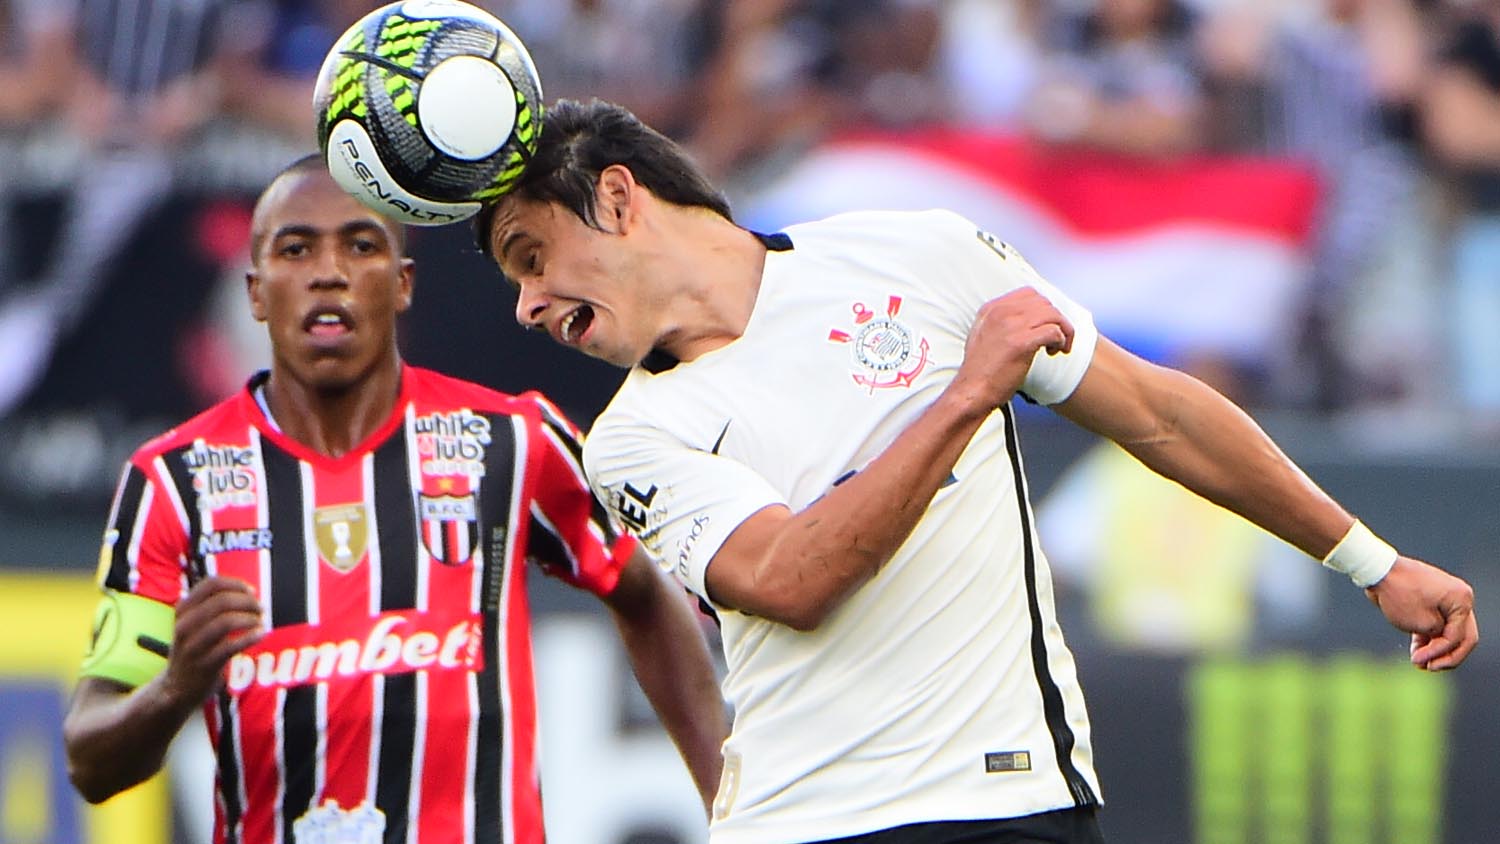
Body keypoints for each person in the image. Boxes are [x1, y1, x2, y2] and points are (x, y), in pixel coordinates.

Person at [473, 98, 1479, 844]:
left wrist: (1370, 561)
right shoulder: (634, 438)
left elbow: (1162, 416)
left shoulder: (918, 257)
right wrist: (965, 395)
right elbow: (791, 580)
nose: (525, 307)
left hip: (1010, 804)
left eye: (531, 256)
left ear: (617, 197)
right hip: (803, 822)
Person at [61, 154, 727, 843]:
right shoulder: (176, 481)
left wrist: (729, 802)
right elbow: (89, 759)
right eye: (296, 249)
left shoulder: (510, 440)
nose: (329, 273)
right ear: (256, 292)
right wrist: (174, 688)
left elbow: (645, 593)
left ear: (403, 282)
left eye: (360, 245)